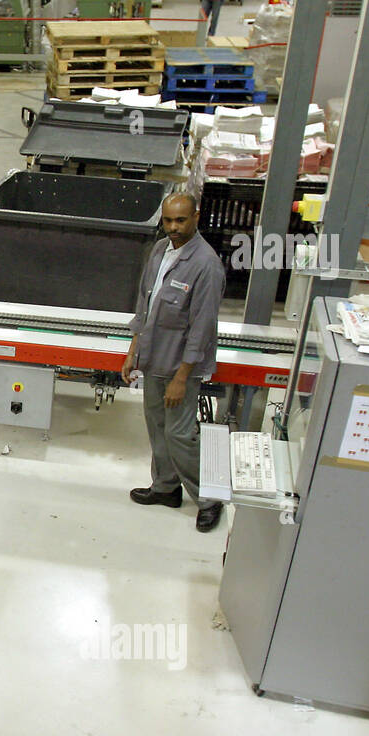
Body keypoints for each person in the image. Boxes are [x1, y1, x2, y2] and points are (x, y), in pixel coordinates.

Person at [120, 193, 226, 533]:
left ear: (196, 217)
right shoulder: (160, 250)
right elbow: (145, 304)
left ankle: (209, 499)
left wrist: (182, 378)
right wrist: (133, 350)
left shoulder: (206, 265)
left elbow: (202, 328)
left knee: (179, 434)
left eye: (180, 220)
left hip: (180, 366)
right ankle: (166, 487)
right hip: (153, 358)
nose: (173, 227)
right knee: (157, 425)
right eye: (167, 220)